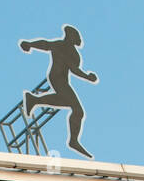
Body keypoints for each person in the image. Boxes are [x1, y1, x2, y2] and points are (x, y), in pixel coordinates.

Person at [20, 25, 98, 158]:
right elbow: (45, 44)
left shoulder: (74, 53)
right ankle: (73, 141)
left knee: (66, 102)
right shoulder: (60, 46)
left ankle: (34, 100)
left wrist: (87, 77)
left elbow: (73, 68)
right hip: (57, 78)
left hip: (61, 80)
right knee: (77, 110)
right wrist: (30, 44)